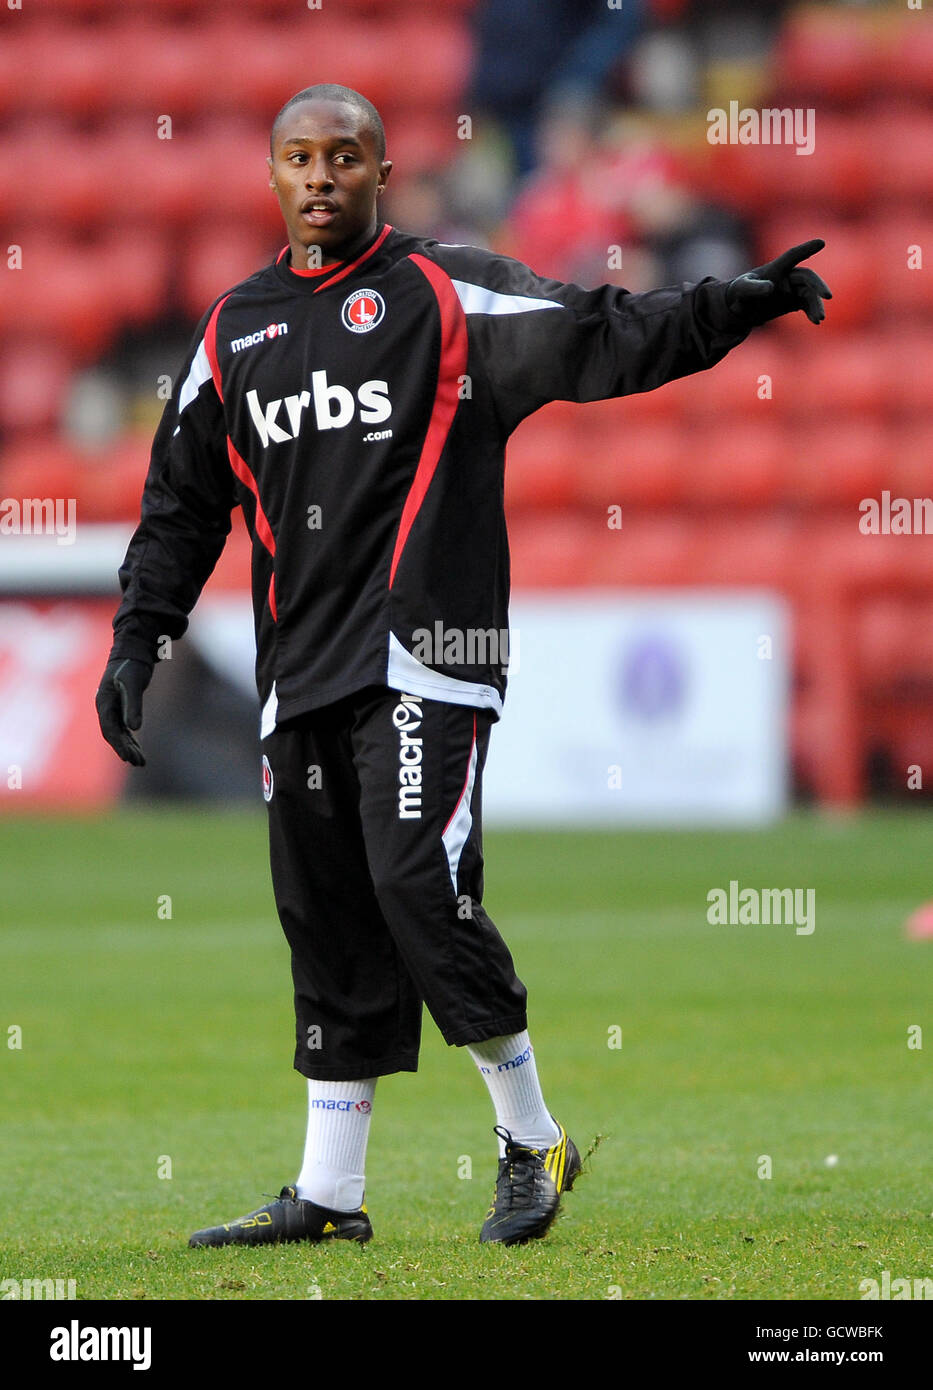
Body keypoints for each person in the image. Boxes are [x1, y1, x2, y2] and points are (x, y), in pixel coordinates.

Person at [96, 83, 831, 1249]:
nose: (323, 176)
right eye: (301, 157)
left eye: (346, 157)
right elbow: (179, 506)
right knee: (328, 917)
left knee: (413, 884)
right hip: (301, 673)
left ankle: (531, 1136)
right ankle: (331, 1193)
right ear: (273, 177)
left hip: (434, 652)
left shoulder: (441, 294)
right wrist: (141, 637)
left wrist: (728, 307)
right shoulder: (232, 331)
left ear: (382, 174)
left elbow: (598, 331)